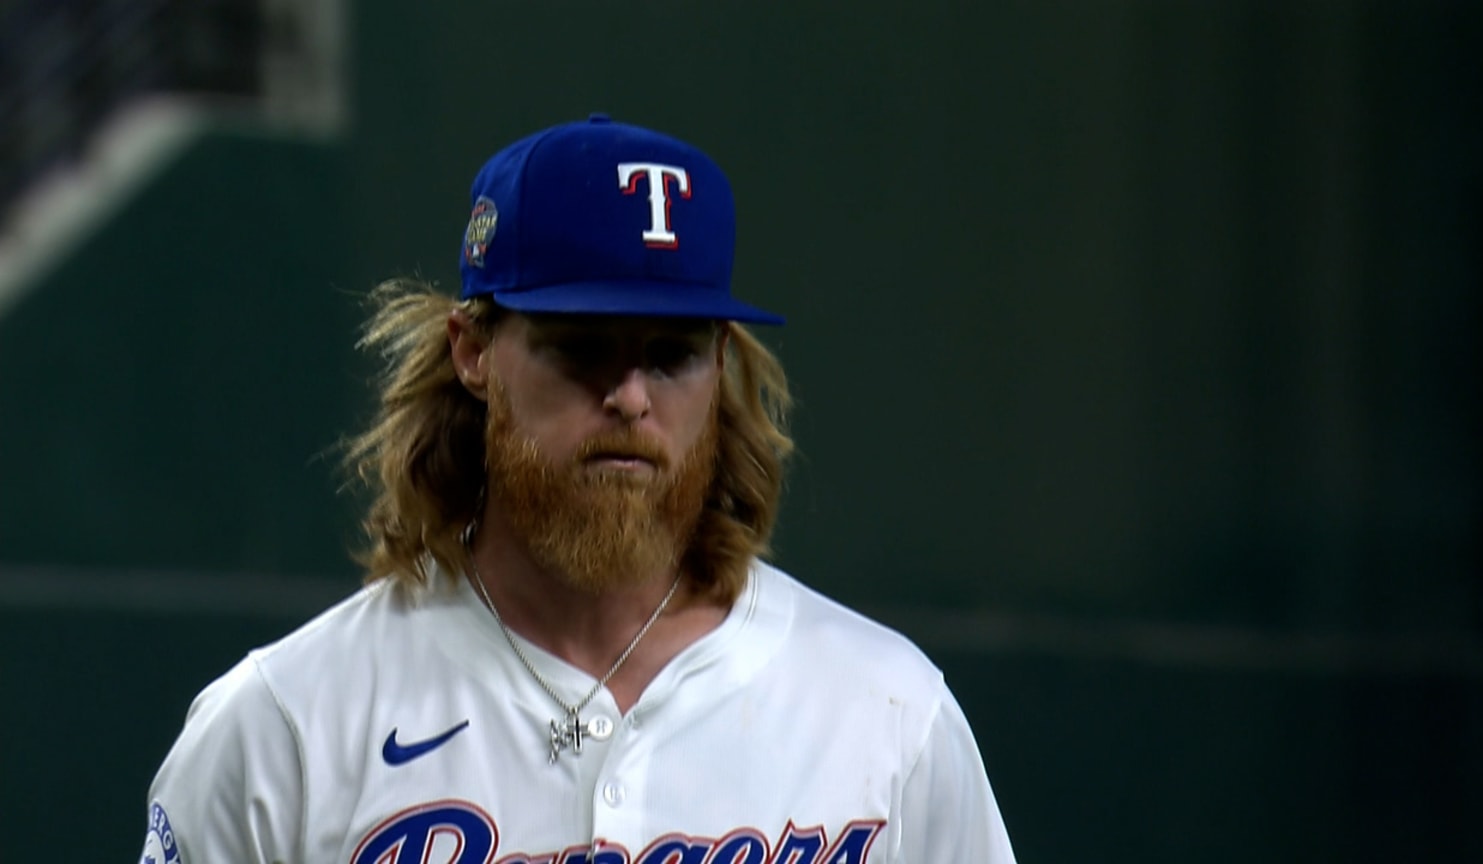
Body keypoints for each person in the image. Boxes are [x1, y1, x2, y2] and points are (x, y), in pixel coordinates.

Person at [139, 114, 1017, 864]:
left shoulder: (887, 716)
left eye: (670, 355)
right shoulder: (285, 727)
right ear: (473, 352)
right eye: (581, 347)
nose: (630, 396)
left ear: (720, 365)